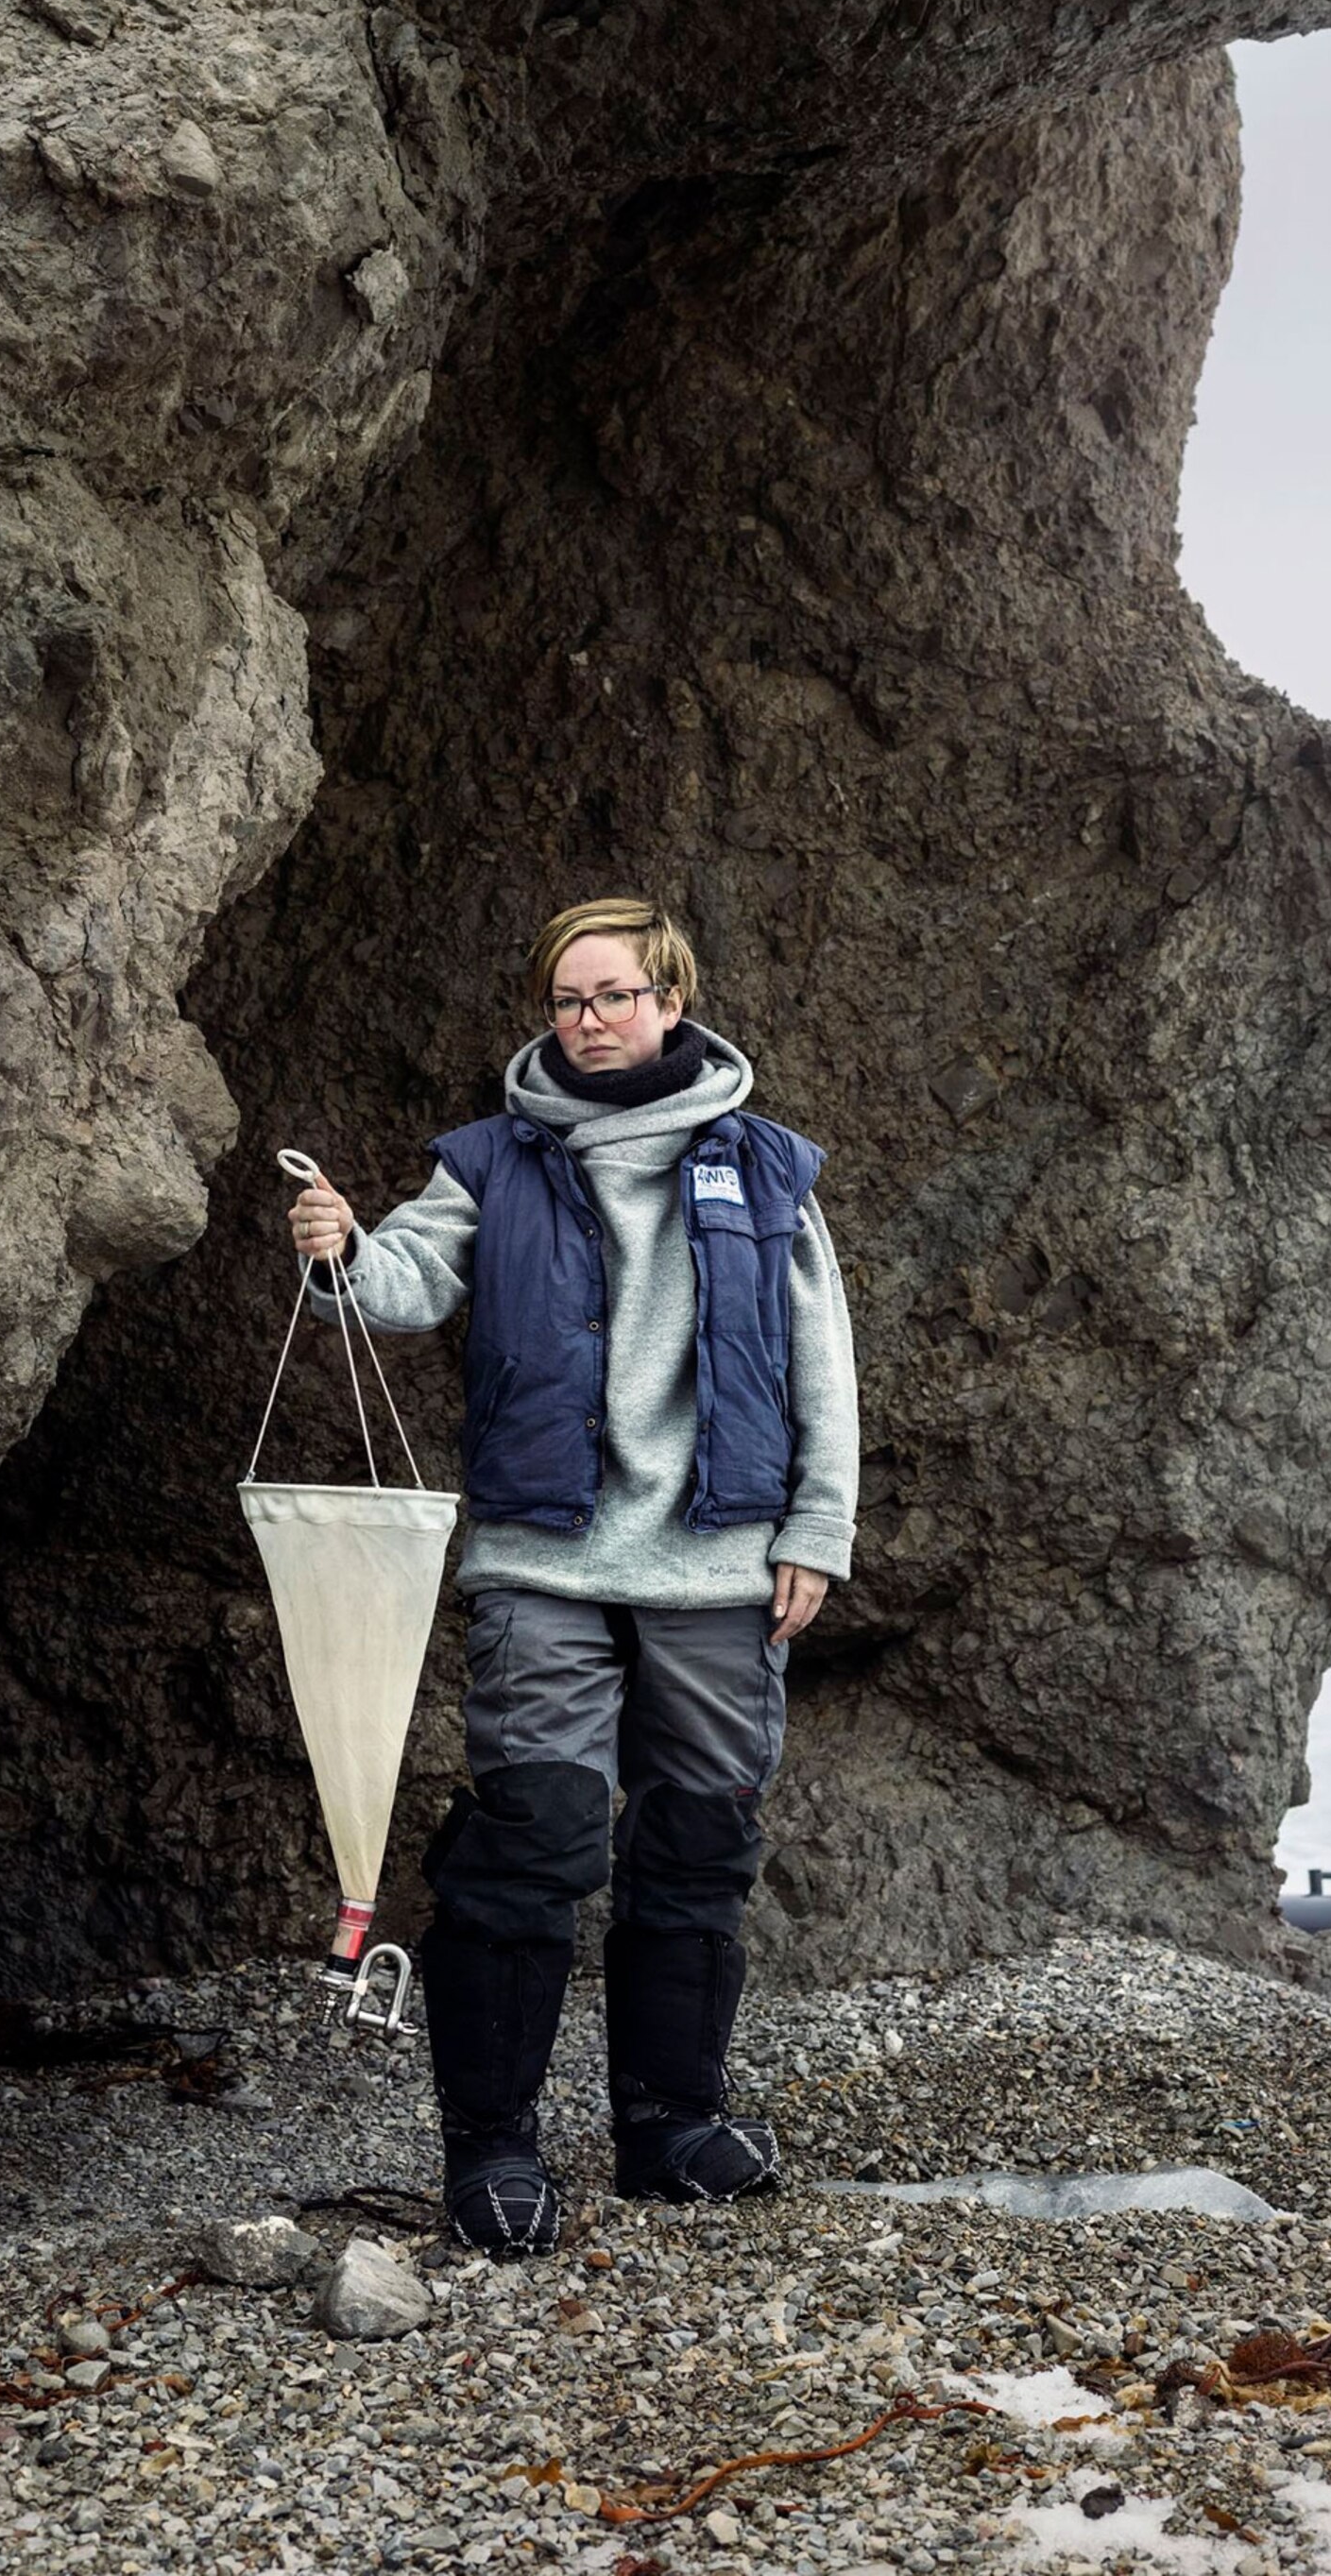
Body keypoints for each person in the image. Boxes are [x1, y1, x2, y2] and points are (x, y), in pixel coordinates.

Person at [285, 897, 859, 2255]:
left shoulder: (769, 1169)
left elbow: (822, 1361)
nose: (584, 1021)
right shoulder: (494, 1160)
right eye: (563, 1000)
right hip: (545, 1557)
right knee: (532, 1839)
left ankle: (671, 2126)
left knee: (698, 1843)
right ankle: (493, 2151)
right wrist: (343, 1257)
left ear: (670, 1000)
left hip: (721, 1558)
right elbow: (409, 1280)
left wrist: (816, 1531)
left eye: (609, 996)